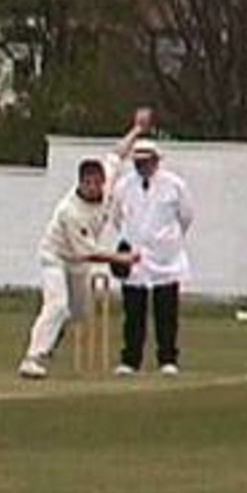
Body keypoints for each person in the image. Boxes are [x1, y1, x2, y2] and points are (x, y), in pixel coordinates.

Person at [17, 110, 147, 379]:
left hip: (77, 264)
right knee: (57, 305)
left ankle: (51, 338)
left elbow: (117, 153)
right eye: (88, 183)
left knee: (78, 315)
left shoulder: (108, 181)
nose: (94, 187)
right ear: (80, 183)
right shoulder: (70, 211)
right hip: (55, 256)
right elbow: (88, 253)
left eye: (97, 182)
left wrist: (136, 129)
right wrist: (120, 259)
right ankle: (33, 357)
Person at [112, 131, 194, 376]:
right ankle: (130, 359)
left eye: (147, 161)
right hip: (135, 257)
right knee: (133, 313)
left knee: (166, 312)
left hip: (165, 257)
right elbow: (117, 217)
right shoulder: (124, 185)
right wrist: (131, 239)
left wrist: (167, 240)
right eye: (138, 161)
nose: (142, 166)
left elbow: (186, 216)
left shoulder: (175, 184)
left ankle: (168, 359)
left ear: (157, 160)